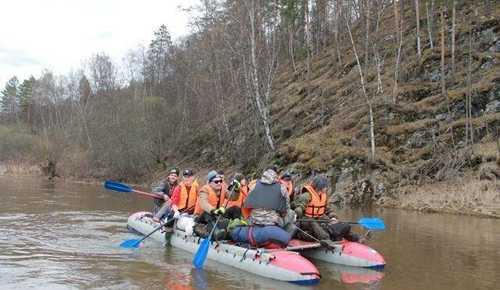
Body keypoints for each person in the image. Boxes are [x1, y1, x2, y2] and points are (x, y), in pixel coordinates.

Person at [292, 175, 364, 246]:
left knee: (333, 222)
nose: (326, 188)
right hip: (306, 220)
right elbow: (299, 207)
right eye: (325, 187)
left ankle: (354, 237)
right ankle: (326, 239)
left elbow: (327, 209)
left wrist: (333, 217)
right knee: (312, 222)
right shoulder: (306, 195)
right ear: (319, 186)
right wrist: (297, 213)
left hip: (319, 218)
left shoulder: (323, 196)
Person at [193, 170, 229, 240]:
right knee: (208, 213)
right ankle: (215, 232)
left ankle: (231, 228)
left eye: (220, 181)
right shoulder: (204, 190)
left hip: (215, 216)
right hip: (201, 218)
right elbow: (204, 204)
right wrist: (213, 210)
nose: (219, 183)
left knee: (234, 209)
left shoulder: (223, 189)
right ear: (209, 183)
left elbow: (234, 197)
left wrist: (236, 190)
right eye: (216, 182)